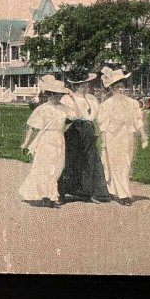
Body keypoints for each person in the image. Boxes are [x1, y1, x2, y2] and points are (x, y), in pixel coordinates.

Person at [97, 67, 149, 206]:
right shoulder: (106, 105)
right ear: (111, 88)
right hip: (112, 137)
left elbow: (137, 120)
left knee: (126, 164)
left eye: (121, 86)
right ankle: (123, 195)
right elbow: (103, 125)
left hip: (127, 136)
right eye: (117, 87)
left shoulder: (132, 103)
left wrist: (143, 135)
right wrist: (104, 142)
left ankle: (113, 191)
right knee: (115, 164)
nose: (120, 89)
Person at [18, 75, 71, 208]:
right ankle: (46, 196)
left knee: (57, 168)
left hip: (59, 139)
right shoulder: (43, 109)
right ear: (48, 94)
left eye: (59, 94)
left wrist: (62, 130)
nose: (56, 97)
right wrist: (25, 143)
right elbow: (32, 126)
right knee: (44, 168)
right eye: (53, 94)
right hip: (46, 140)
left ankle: (51, 195)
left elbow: (72, 119)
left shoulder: (64, 108)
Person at [58, 71, 110, 204]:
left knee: (90, 159)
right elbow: (69, 116)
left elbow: (97, 116)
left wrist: (98, 131)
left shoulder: (91, 98)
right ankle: (63, 191)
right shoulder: (67, 99)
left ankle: (89, 191)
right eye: (84, 84)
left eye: (87, 83)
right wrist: (73, 100)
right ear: (77, 85)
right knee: (71, 158)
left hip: (88, 129)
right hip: (74, 129)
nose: (87, 86)